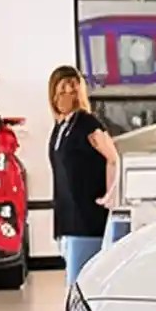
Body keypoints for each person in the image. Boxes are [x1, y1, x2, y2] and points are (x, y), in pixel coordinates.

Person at [47, 66, 118, 285]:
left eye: (73, 88)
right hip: (66, 216)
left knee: (80, 280)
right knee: (72, 276)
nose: (69, 93)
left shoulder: (87, 124)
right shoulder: (61, 127)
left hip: (86, 216)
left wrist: (110, 195)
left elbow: (113, 158)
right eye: (63, 89)